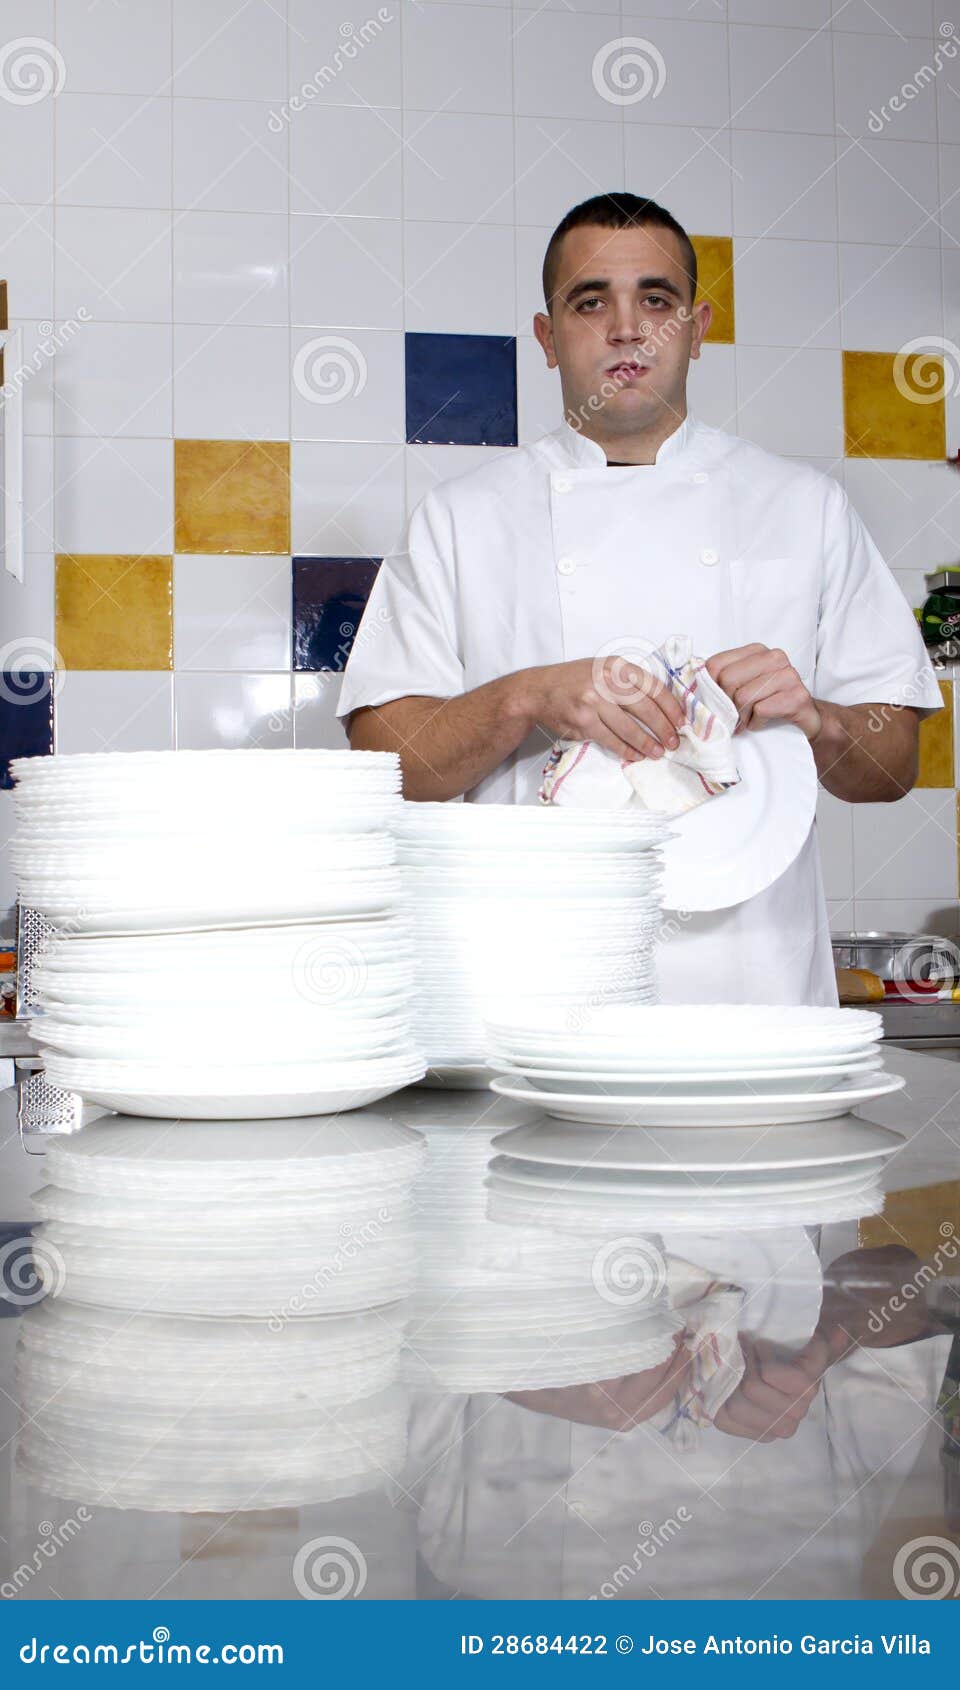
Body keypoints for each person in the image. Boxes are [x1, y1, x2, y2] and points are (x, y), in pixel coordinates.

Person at [338, 193, 941, 1005]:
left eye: (655, 299)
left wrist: (821, 720)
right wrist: (525, 697)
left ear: (696, 328)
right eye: (591, 302)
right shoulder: (460, 518)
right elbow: (384, 767)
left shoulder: (805, 506)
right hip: (535, 984)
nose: (627, 328)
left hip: (752, 985)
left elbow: (894, 766)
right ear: (548, 340)